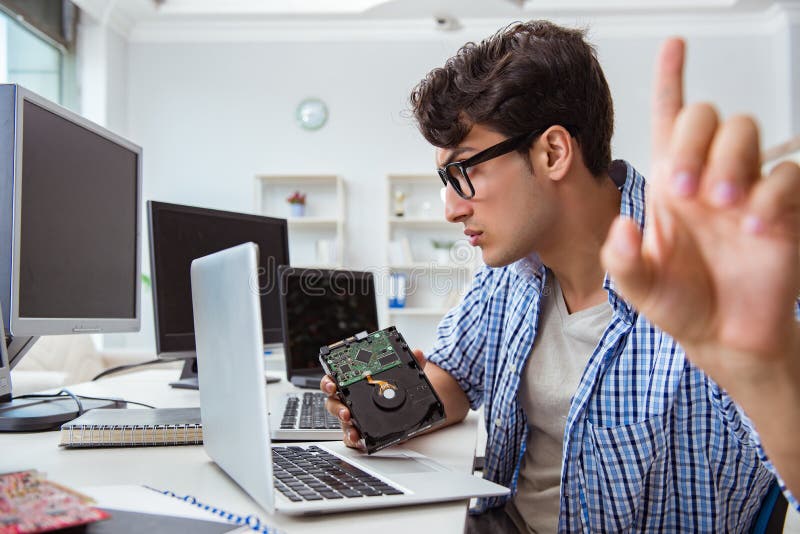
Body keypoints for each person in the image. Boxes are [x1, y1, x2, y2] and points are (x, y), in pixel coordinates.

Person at [322, 20, 800, 532]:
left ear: (552, 152)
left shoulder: (711, 279)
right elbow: (454, 376)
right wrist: (382, 407)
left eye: (463, 171)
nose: (451, 210)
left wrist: (766, 375)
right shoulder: (510, 271)